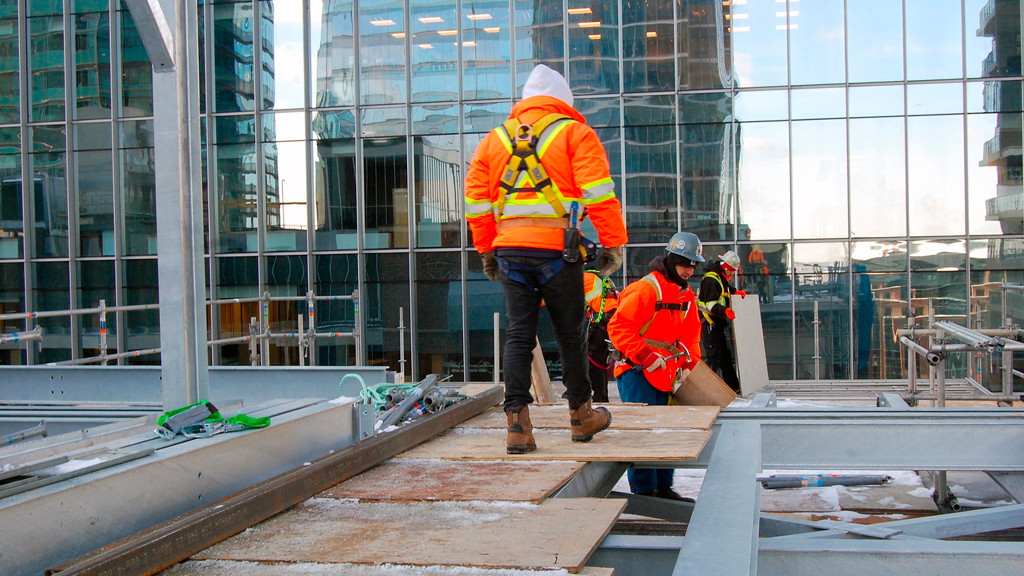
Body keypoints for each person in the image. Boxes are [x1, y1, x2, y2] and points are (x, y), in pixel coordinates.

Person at [465, 64, 628, 454]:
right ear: (562, 102)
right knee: (571, 335)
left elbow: (476, 203)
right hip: (558, 251)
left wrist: (487, 250)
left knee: (520, 333)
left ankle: (517, 424)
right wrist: (612, 244)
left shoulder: (493, 140)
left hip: (510, 253)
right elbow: (599, 194)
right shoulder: (574, 133)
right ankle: (580, 415)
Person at [608, 232, 704, 500]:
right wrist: (645, 357)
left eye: (693, 265)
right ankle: (644, 491)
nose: (689, 271)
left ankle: (663, 487)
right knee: (644, 432)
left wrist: (688, 364)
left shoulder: (686, 297)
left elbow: (691, 337)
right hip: (637, 372)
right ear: (672, 260)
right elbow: (618, 327)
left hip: (666, 374)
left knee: (666, 431)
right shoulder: (646, 289)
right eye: (685, 264)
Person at [698, 250, 746, 392]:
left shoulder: (719, 278)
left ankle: (733, 387)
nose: (732, 274)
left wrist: (735, 292)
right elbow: (711, 304)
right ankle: (706, 390)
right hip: (709, 324)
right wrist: (725, 311)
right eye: (731, 271)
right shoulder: (711, 279)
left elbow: (724, 291)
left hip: (716, 324)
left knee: (724, 357)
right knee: (715, 358)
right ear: (725, 267)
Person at [584, 269, 618, 403]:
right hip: (611, 319)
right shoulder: (600, 278)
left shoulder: (582, 278)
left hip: (603, 321)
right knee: (601, 361)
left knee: (593, 361)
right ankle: (602, 396)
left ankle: (599, 397)